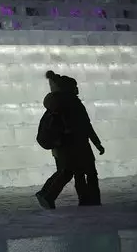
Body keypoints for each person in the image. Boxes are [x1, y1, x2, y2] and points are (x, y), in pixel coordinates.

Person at [36, 71, 104, 208]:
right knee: (88, 173)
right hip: (77, 145)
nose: (77, 89)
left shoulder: (57, 104)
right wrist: (97, 143)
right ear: (69, 88)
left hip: (61, 146)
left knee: (73, 173)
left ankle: (50, 195)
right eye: (75, 86)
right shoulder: (72, 103)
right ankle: (91, 201)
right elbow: (85, 126)